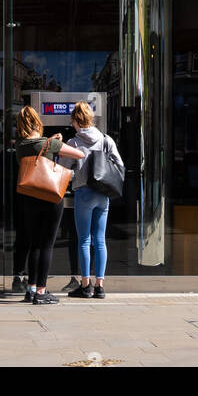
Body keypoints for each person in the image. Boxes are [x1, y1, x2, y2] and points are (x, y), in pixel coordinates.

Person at [14, 105, 83, 305]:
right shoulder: (48, 144)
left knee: (34, 244)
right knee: (47, 245)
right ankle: (42, 292)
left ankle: (31, 289)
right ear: (37, 122)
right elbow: (79, 155)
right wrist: (56, 143)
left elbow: (36, 147)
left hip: (28, 197)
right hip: (50, 197)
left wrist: (53, 141)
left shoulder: (20, 144)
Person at [66, 101, 124, 299]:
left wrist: (77, 175)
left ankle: (85, 285)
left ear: (75, 120)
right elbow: (119, 165)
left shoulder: (73, 143)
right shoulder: (106, 139)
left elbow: (65, 170)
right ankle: (100, 285)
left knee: (83, 240)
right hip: (103, 194)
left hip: (84, 194)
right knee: (100, 240)